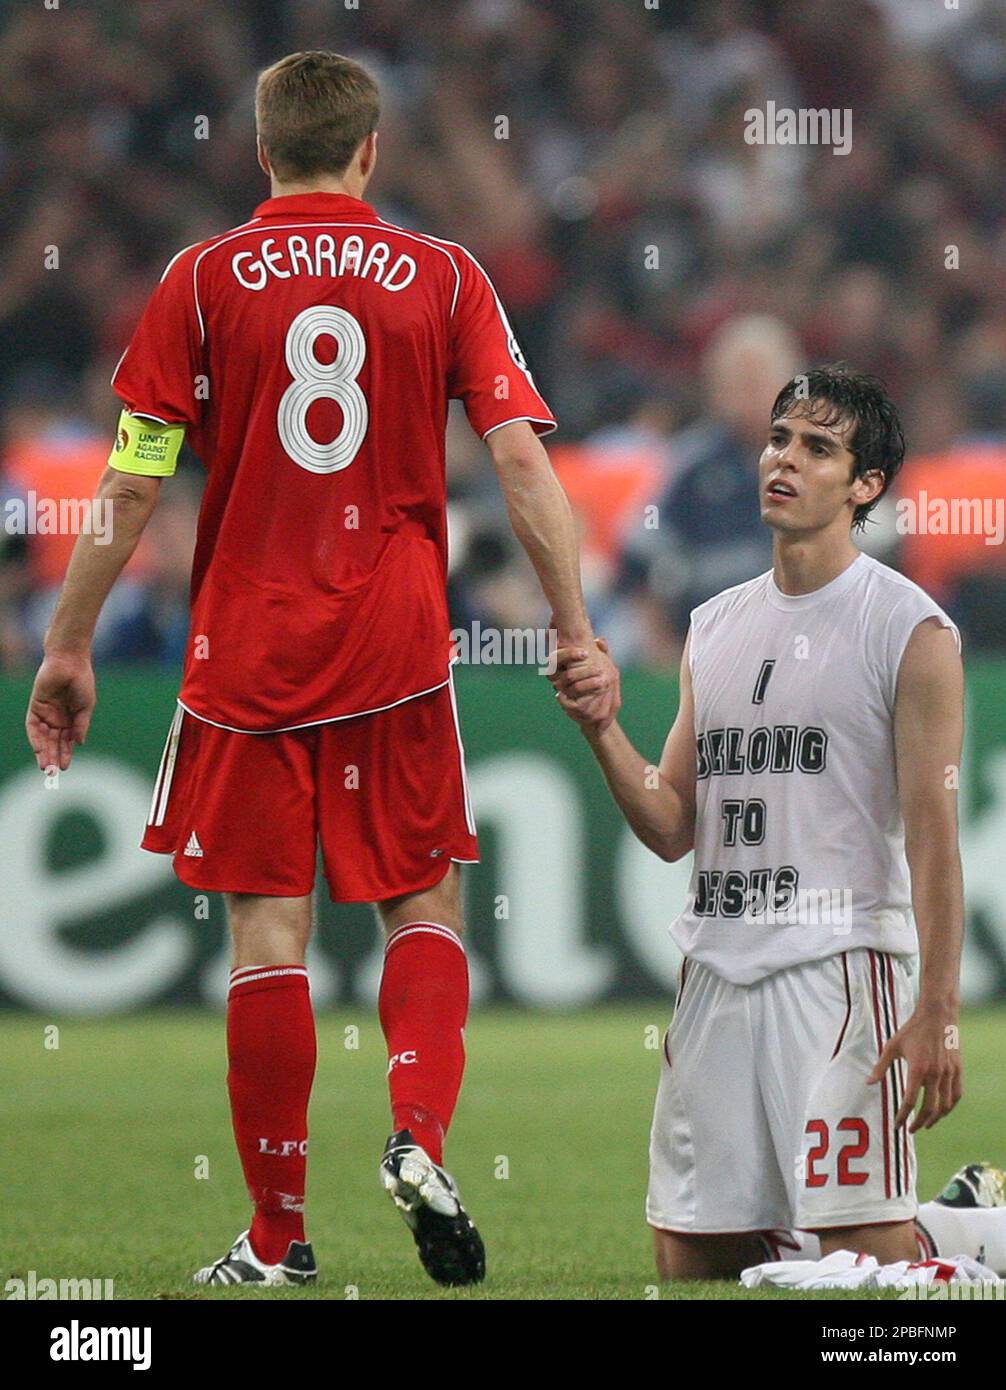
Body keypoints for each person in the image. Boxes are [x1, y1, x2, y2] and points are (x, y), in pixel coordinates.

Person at [24, 50, 613, 1290]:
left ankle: (280, 1232)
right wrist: (572, 624)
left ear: (259, 152)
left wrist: (68, 641)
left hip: (243, 650)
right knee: (424, 903)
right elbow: (518, 465)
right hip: (395, 646)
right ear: (371, 152)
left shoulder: (198, 279)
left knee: (266, 933)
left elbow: (133, 478)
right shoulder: (443, 276)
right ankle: (418, 1134)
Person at [551, 365, 1006, 1279]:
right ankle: (950, 1214)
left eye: (819, 447)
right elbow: (673, 821)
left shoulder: (909, 629)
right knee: (694, 1267)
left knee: (861, 1265)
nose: (784, 460)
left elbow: (930, 835)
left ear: (866, 485)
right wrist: (603, 729)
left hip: (838, 976)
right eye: (779, 439)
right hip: (717, 971)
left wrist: (939, 1011)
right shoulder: (714, 625)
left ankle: (972, 1239)